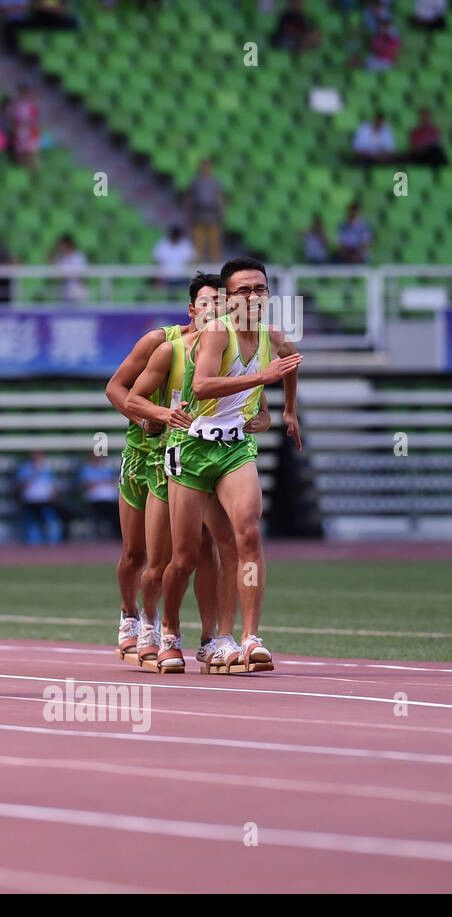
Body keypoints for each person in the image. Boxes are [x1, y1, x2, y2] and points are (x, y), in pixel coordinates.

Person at [159, 257, 303, 673]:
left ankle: (244, 637)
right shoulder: (217, 332)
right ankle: (170, 632)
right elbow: (202, 385)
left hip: (234, 447)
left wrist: (288, 410)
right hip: (191, 446)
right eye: (244, 291)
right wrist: (263, 379)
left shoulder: (272, 336)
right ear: (227, 299)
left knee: (247, 535)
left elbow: (290, 363)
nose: (254, 297)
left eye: (260, 289)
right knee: (185, 556)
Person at [127, 278, 271, 672]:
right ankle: (153, 626)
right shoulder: (168, 349)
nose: (215, 311)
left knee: (229, 543)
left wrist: (272, 413)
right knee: (171, 557)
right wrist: (159, 416)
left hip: (227, 451)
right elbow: (126, 395)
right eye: (206, 304)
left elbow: (259, 396)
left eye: (221, 304)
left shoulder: (235, 344)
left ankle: (219, 638)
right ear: (192, 310)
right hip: (172, 455)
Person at [16, 451, 62, 544]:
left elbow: (54, 486)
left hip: (46, 501)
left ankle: (54, 546)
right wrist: (34, 474)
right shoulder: (24, 469)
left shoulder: (47, 469)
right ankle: (34, 549)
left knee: (53, 522)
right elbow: (20, 487)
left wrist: (54, 496)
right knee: (33, 524)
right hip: (30, 501)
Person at [186, 159, 225, 265]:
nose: (205, 169)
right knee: (198, 244)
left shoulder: (215, 182)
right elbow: (190, 198)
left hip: (212, 215)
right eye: (203, 167)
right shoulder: (195, 182)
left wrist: (221, 213)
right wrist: (189, 214)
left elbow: (219, 198)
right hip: (199, 215)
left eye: (207, 167)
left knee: (214, 244)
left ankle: (215, 265)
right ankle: (197, 266)